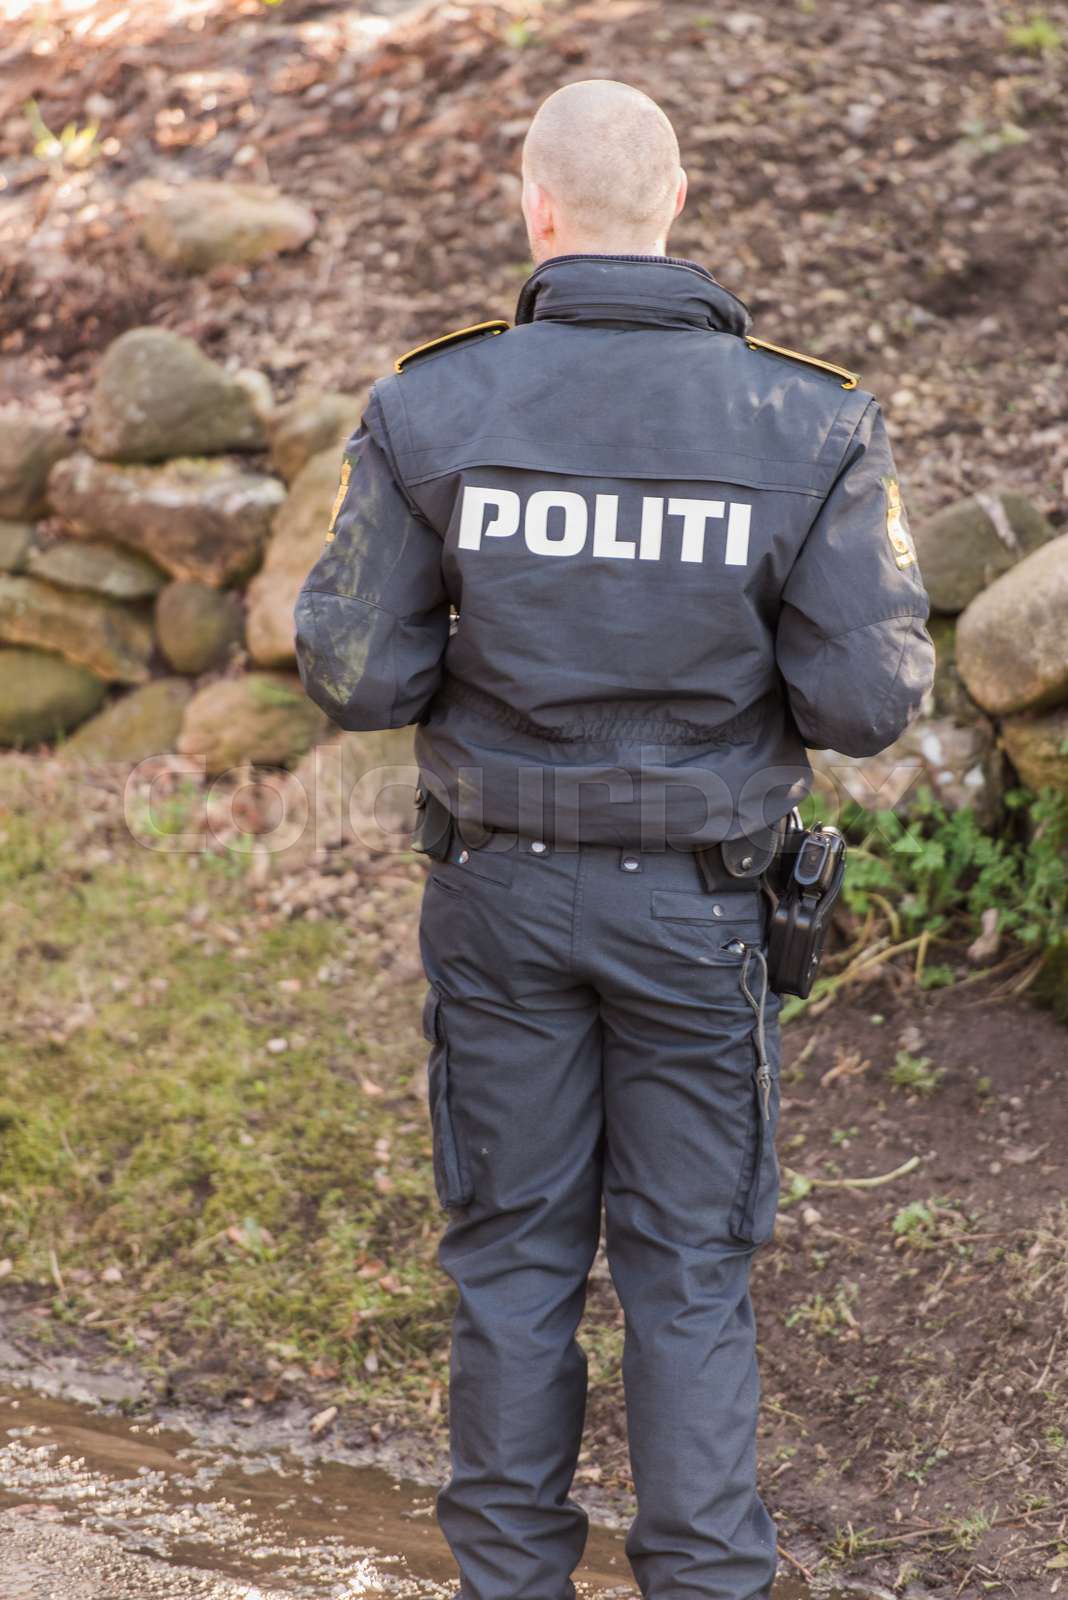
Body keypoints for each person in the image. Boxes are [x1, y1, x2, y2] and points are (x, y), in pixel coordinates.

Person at [295, 79, 934, 1600]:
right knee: (689, 1272)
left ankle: (509, 1582)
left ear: (536, 207)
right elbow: (866, 699)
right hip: (701, 920)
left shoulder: (434, 405)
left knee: (512, 1263)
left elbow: (354, 671)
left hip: (500, 902)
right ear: (680, 200)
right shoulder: (809, 416)